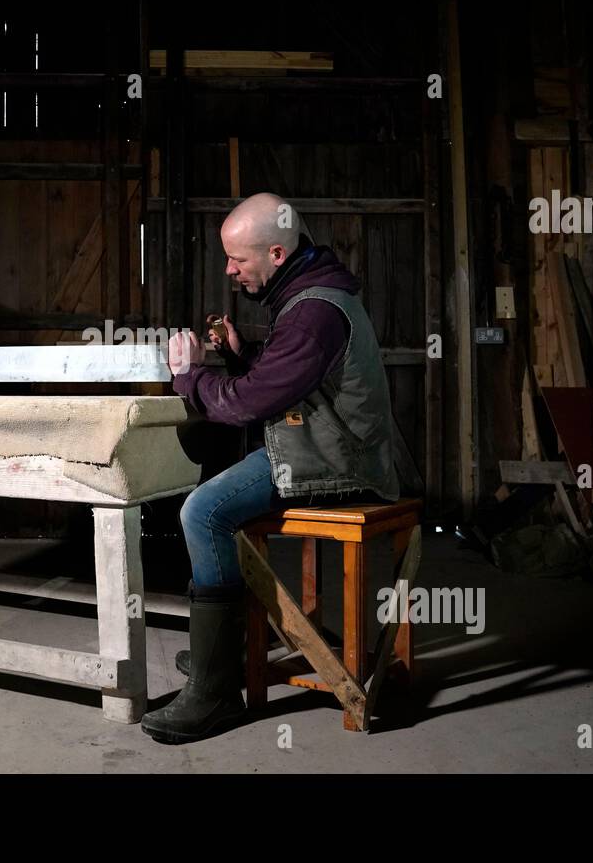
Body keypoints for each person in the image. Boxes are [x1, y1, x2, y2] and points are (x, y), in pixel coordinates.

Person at [142, 192, 400, 744]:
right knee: (217, 500)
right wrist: (241, 358)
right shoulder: (312, 295)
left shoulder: (312, 312)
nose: (229, 270)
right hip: (328, 445)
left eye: (238, 259)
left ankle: (214, 691)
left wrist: (189, 377)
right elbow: (296, 381)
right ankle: (227, 655)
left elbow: (249, 405)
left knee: (203, 512)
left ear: (277, 254)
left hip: (339, 461)